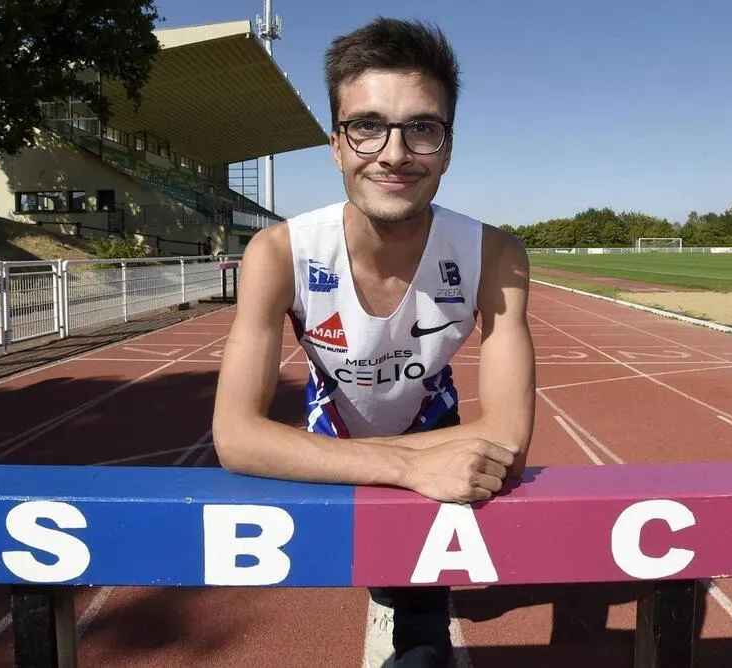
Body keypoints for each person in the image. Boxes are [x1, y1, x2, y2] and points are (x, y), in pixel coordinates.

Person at [211, 16, 537, 668]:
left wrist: (422, 463)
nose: (394, 153)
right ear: (336, 145)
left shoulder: (495, 255)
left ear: (446, 148)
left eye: (421, 128)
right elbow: (235, 437)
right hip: (343, 433)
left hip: (430, 424)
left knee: (423, 646)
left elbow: (506, 437)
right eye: (367, 126)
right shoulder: (278, 253)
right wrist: (410, 467)